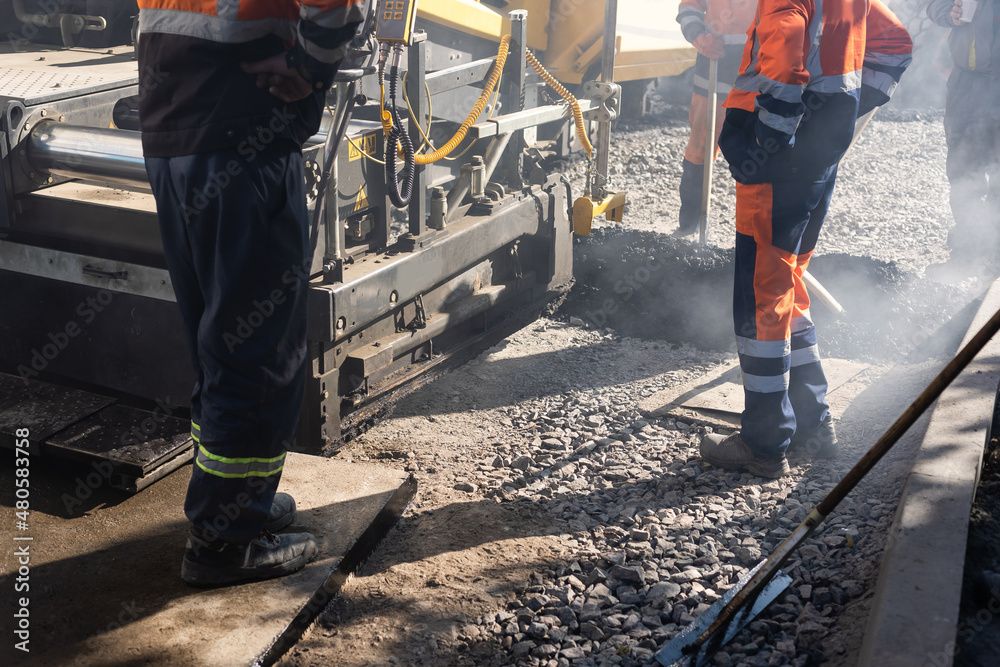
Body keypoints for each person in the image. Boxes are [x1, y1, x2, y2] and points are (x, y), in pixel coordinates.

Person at [136, 0, 369, 586]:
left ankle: (234, 502)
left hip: (174, 130)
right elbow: (335, 6)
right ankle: (224, 542)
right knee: (257, 351)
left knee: (218, 341)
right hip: (244, 132)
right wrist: (310, 66)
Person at [700, 0, 912, 478]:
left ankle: (764, 442)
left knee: (763, 301)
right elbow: (895, 44)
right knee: (787, 287)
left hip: (777, 171)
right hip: (817, 162)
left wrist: (768, 141)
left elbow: (786, 39)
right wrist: (838, 118)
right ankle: (812, 424)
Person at [926, 0, 1000, 281]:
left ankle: (994, 260)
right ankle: (966, 254)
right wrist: (948, 13)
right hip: (965, 85)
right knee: (963, 171)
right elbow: (934, 5)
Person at [675, 0, 757, 236]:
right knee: (700, 147)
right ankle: (689, 226)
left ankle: (755, 234)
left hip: (761, 71)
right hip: (714, 68)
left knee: (759, 150)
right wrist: (698, 37)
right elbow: (689, 7)